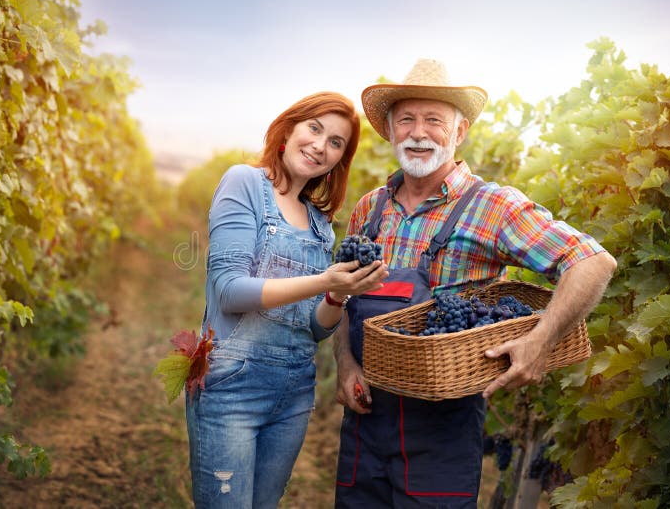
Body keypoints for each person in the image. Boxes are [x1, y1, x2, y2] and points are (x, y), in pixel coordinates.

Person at [332, 59, 618, 508]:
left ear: (460, 132)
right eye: (406, 119)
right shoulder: (370, 208)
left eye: (434, 120)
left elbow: (592, 261)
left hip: (442, 434)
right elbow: (346, 303)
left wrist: (542, 339)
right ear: (390, 129)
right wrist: (346, 364)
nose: (418, 131)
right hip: (365, 425)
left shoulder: (492, 207)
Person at [185, 91, 389, 508]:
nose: (320, 146)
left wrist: (336, 294)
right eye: (315, 129)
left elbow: (312, 329)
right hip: (233, 386)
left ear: (339, 161)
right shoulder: (245, 184)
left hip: (294, 393)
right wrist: (322, 281)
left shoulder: (320, 226)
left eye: (336, 143)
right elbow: (229, 291)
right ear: (288, 129)